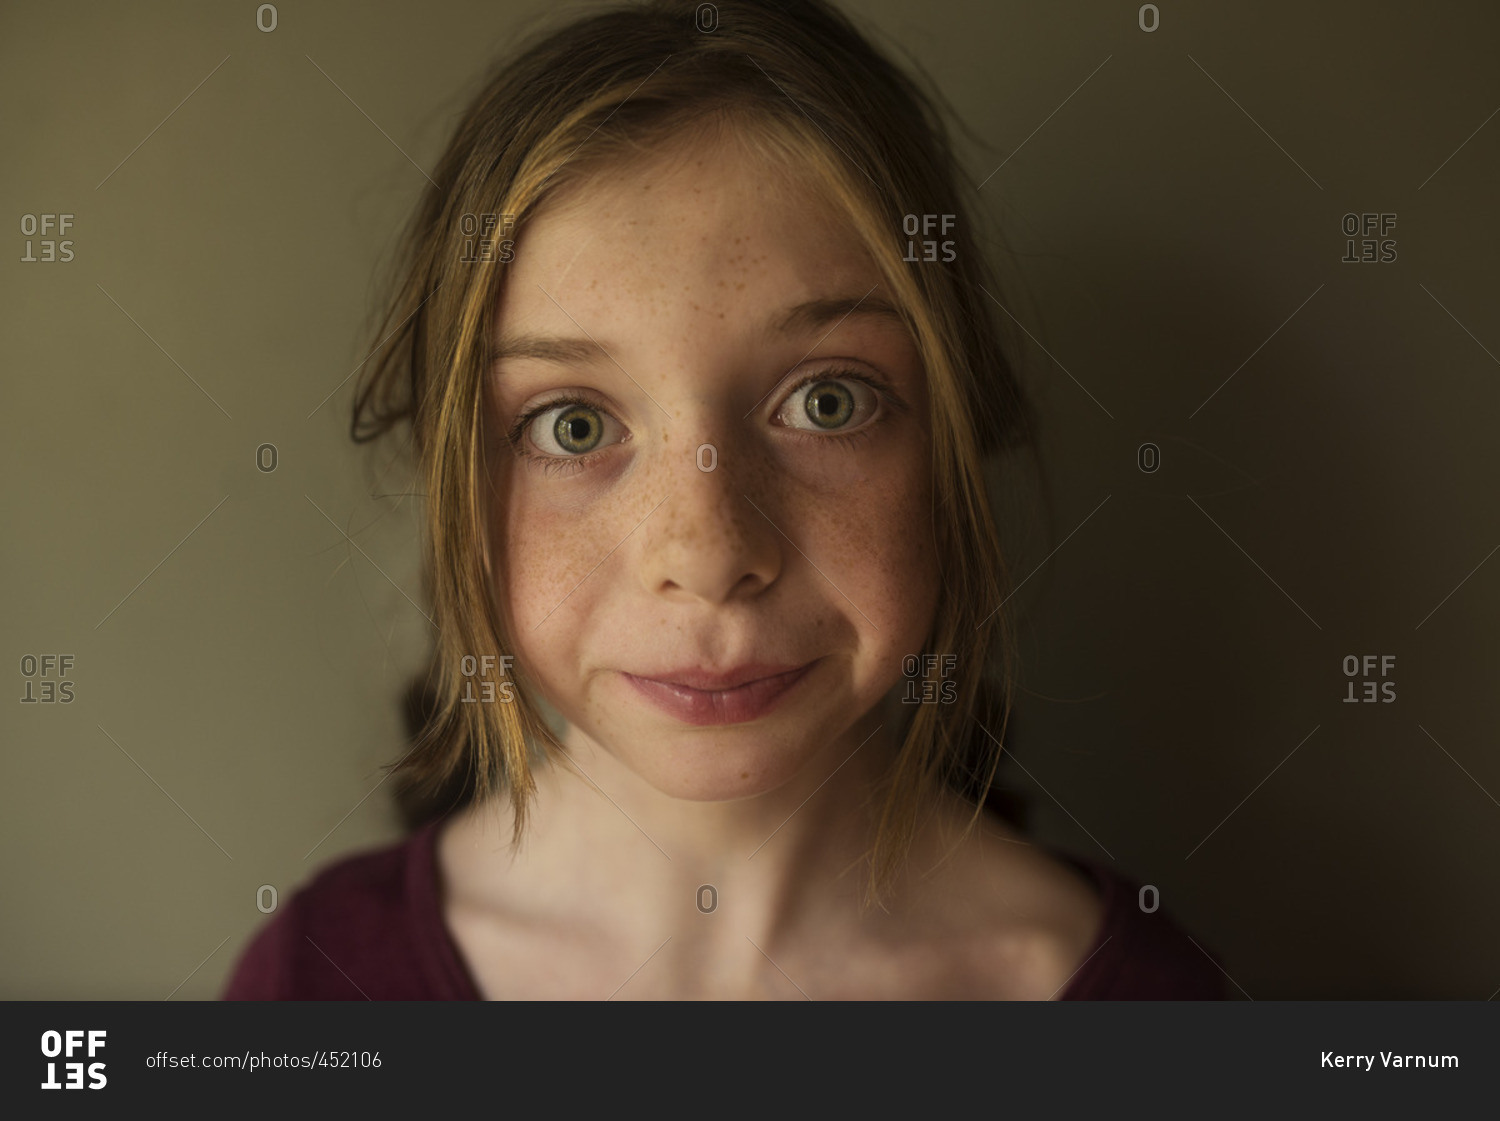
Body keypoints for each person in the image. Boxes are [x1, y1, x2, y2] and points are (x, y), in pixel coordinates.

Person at [224, 0, 1225, 1000]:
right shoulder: (318, 980)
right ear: (458, 484)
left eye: (827, 401)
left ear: (949, 448)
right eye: (573, 424)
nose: (707, 553)